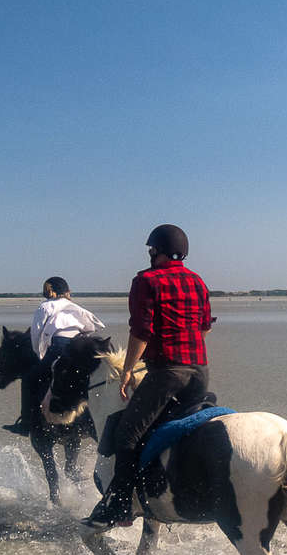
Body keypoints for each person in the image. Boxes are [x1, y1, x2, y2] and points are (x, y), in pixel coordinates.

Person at [83, 224, 213, 528]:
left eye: (151, 250)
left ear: (155, 251)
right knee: (177, 426)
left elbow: (141, 332)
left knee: (127, 434)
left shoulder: (146, 281)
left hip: (168, 373)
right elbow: (204, 327)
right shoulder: (197, 281)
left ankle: (119, 505)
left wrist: (128, 370)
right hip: (200, 373)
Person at [4, 276, 106, 435]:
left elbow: (36, 335)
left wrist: (41, 356)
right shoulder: (76, 308)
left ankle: (25, 423)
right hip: (79, 347)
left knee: (29, 379)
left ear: (51, 291)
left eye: (46, 289)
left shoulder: (45, 306)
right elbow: (90, 329)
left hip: (59, 347)